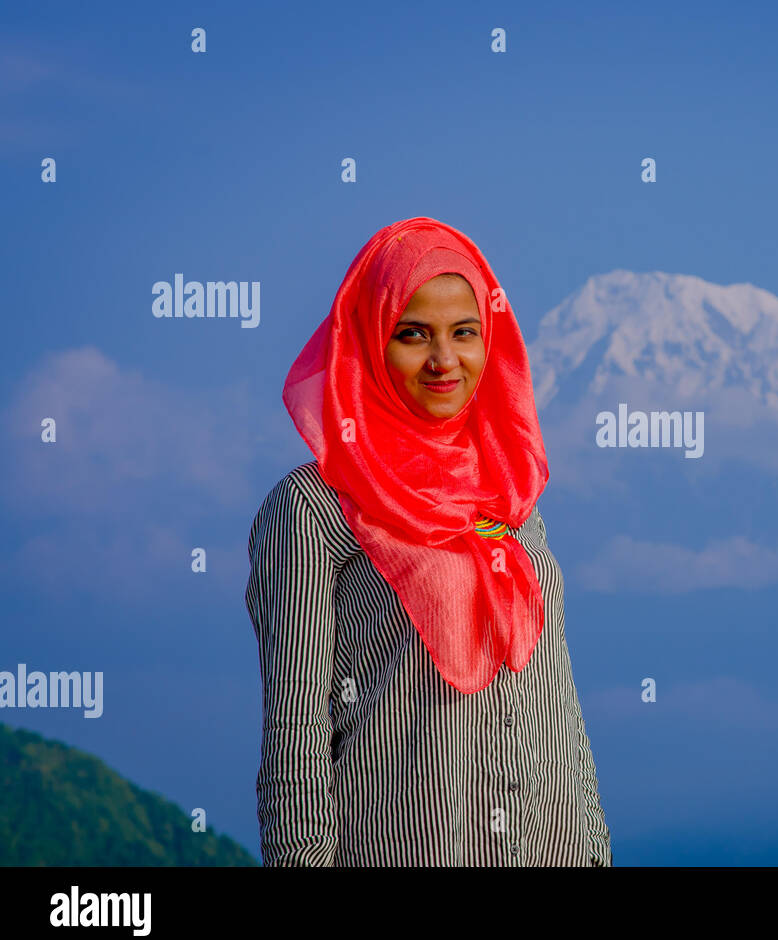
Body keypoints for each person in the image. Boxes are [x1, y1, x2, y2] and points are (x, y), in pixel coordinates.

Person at [244, 216, 611, 866]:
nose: (446, 360)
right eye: (412, 335)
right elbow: (295, 729)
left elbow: (558, 695)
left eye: (464, 333)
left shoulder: (510, 493)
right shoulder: (313, 508)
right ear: (367, 343)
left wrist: (597, 850)